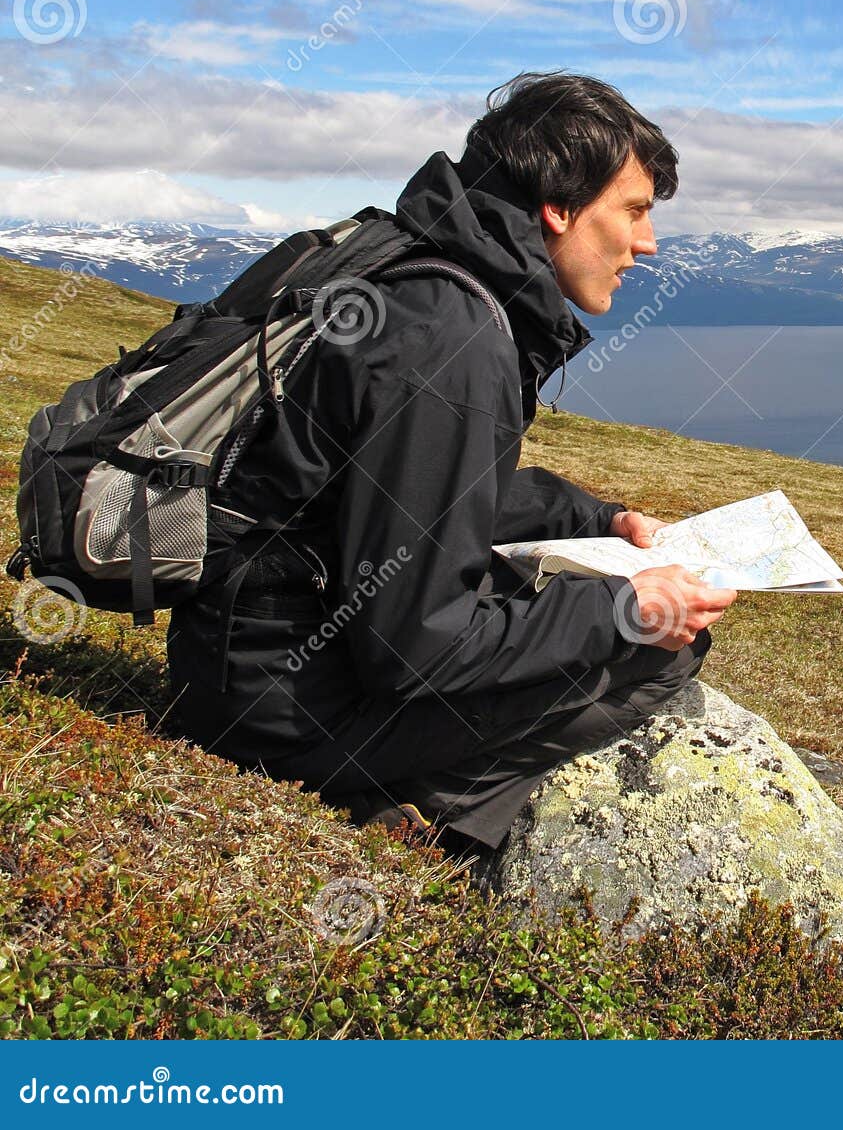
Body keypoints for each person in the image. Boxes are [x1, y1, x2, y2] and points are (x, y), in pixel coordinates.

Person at [163, 71, 737, 859]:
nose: (647, 243)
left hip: (238, 660)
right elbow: (416, 649)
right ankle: (424, 814)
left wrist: (594, 522)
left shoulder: (414, 277)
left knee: (554, 603)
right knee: (659, 651)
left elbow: (415, 494)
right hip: (283, 710)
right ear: (559, 207)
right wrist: (623, 611)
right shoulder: (453, 342)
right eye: (634, 211)